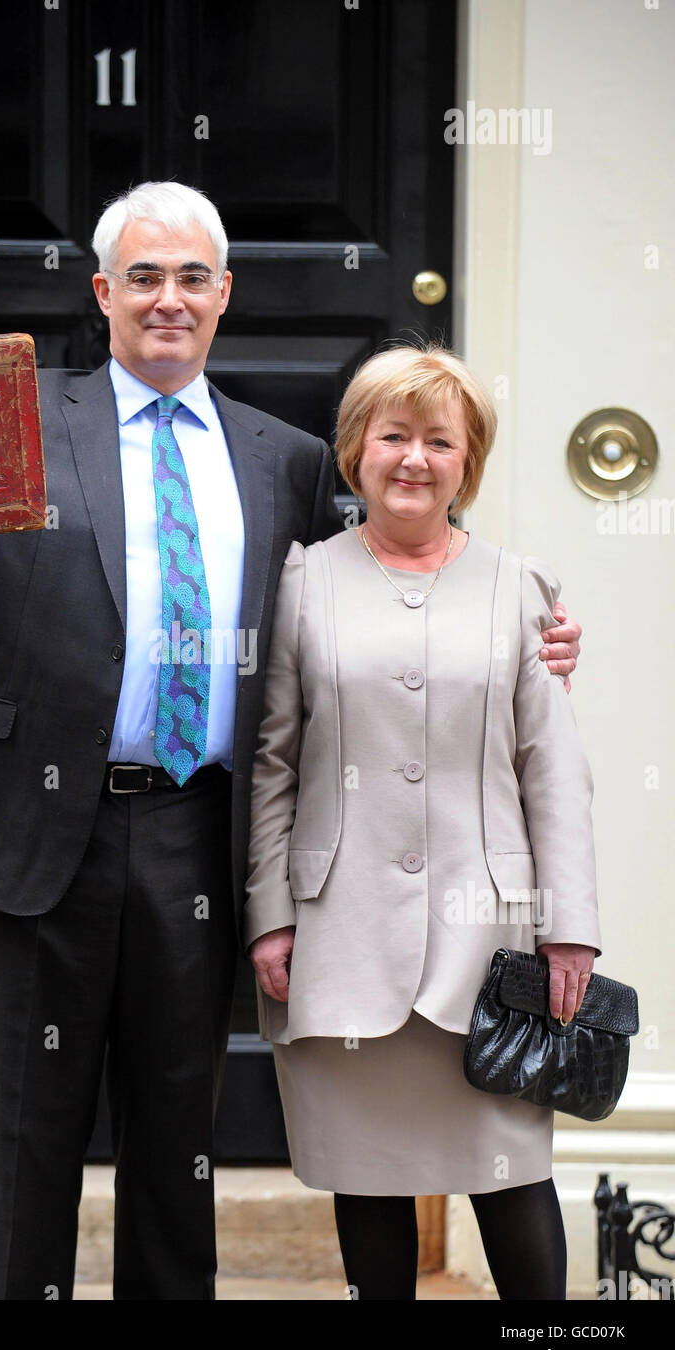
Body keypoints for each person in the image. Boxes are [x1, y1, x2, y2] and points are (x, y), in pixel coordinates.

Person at [0, 186, 582, 1301]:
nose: (168, 298)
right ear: (102, 294)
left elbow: (398, 549)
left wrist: (531, 619)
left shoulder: (281, 458)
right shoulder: (13, 416)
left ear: (224, 295)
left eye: (192, 277)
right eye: (142, 276)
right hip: (37, 831)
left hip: (198, 830)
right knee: (27, 1145)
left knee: (175, 1149)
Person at [244, 343, 600, 1301]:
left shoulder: (522, 588)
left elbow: (553, 769)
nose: (414, 459)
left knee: (514, 1180)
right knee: (367, 1184)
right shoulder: (300, 582)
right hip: (338, 934)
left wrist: (569, 927)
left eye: (439, 441)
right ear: (356, 450)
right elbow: (273, 760)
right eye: (393, 435)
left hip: (489, 946)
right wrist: (270, 913)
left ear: (467, 461)